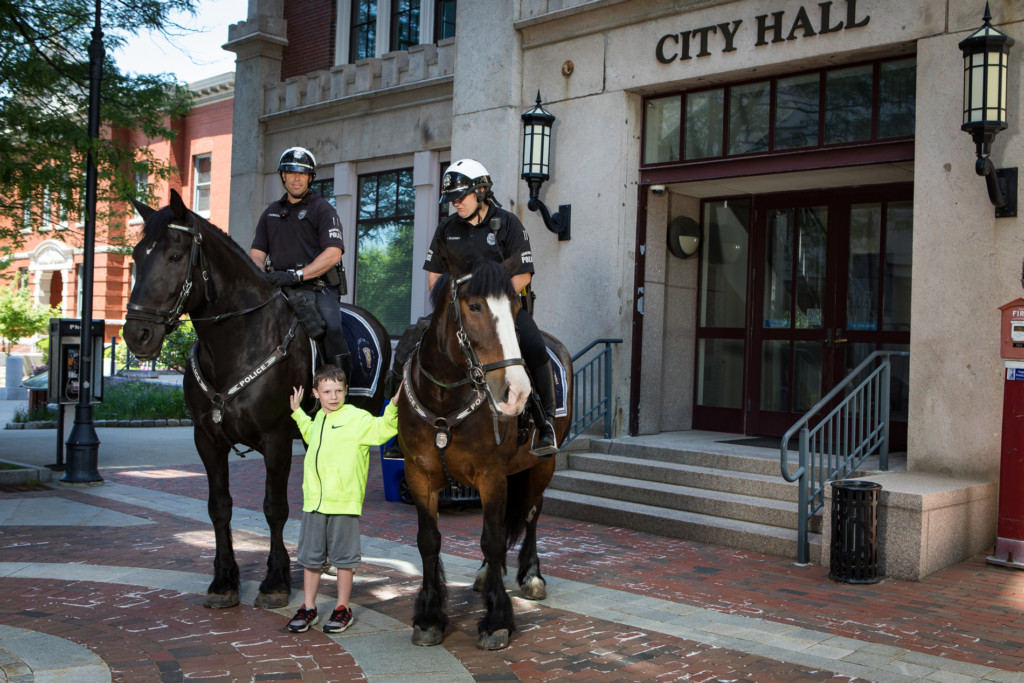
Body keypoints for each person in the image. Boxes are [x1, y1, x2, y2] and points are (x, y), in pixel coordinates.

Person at [423, 158, 558, 457]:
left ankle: (545, 420)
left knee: (535, 346)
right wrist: (452, 306)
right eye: (451, 199)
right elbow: (434, 275)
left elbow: (523, 274)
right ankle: (401, 419)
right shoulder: (446, 228)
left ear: (481, 191)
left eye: (461, 196)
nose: (455, 203)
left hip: (502, 313)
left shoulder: (508, 223)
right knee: (413, 344)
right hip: (456, 312)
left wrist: (489, 303)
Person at [285, 364, 400, 634]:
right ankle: (309, 607)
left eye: (338, 390)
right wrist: (297, 412)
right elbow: (310, 435)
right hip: (314, 502)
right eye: (327, 391)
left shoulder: (356, 418)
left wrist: (393, 406)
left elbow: (383, 429)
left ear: (346, 391)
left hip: (344, 502)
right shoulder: (319, 420)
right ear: (316, 393)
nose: (333, 396)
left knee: (344, 560)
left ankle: (342, 607)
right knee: (310, 558)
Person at [250, 146, 351, 376]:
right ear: (283, 175)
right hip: (279, 287)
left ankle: (340, 387)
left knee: (332, 328)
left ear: (310, 178)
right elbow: (256, 254)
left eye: (302, 173)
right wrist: (262, 277)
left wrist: (298, 275)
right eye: (291, 172)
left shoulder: (323, 210)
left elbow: (333, 253)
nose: (296, 178)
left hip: (319, 288)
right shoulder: (270, 213)